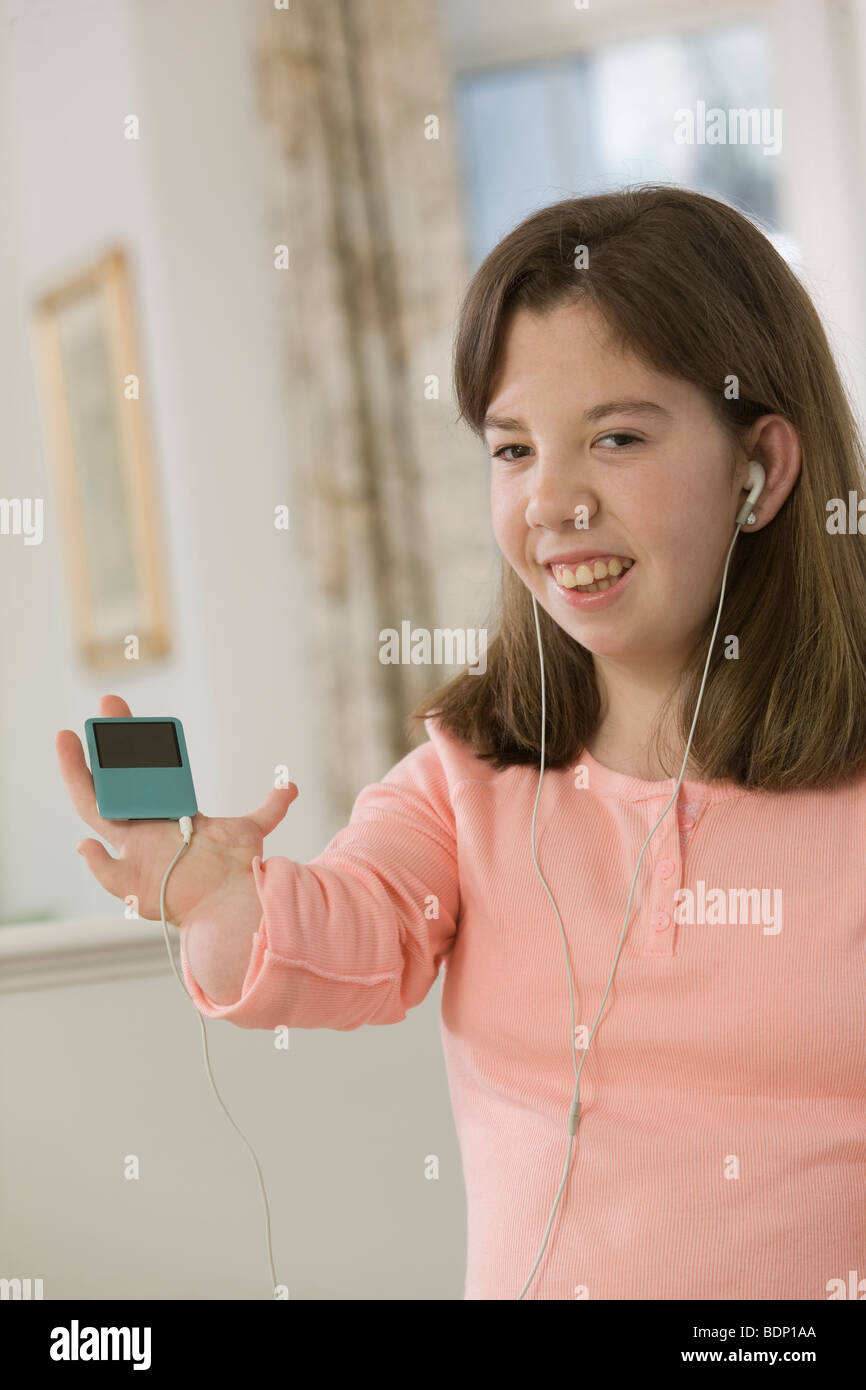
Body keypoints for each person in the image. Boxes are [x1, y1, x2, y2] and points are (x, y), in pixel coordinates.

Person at [57, 187, 866, 1300]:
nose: (552, 500)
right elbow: (345, 933)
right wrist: (213, 897)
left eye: (616, 437)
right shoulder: (463, 778)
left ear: (759, 469)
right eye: (514, 448)